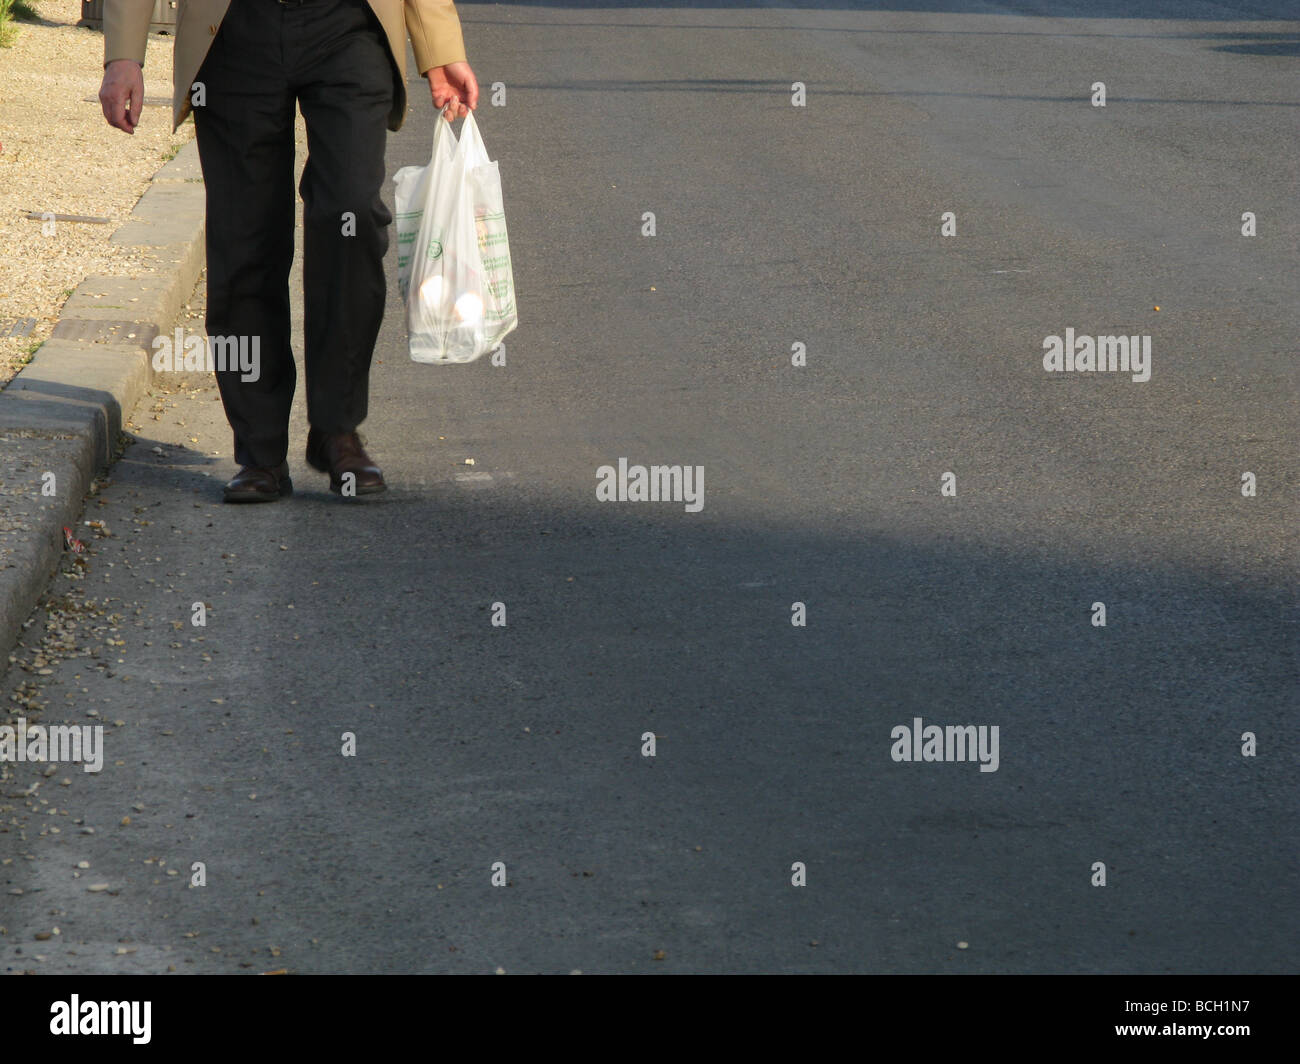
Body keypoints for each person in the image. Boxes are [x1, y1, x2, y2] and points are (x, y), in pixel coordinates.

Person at [98, 0, 478, 501]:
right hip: (234, 29)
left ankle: (337, 429)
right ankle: (260, 452)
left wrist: (439, 47)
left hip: (349, 28)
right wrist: (124, 54)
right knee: (245, 238)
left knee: (352, 214)